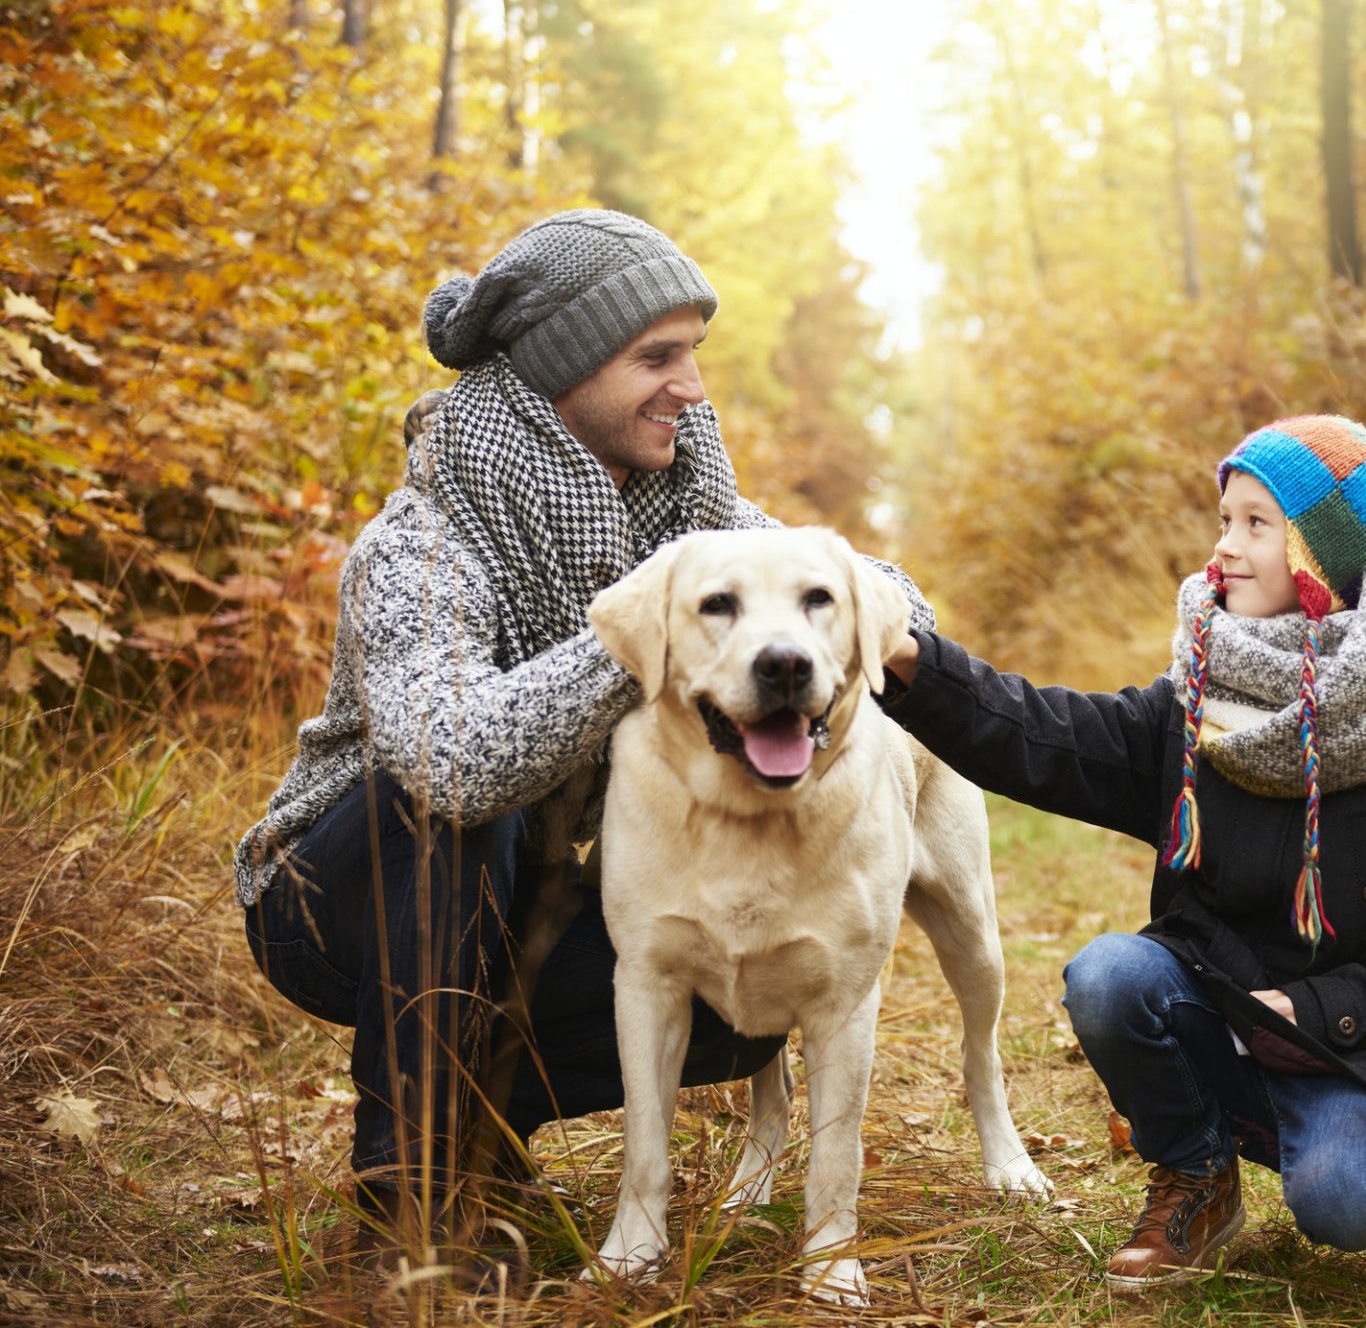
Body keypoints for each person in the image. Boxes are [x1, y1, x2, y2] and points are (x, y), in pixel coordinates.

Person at [232, 210, 932, 1259]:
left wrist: (830, 618)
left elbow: (887, 595)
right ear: (563, 369)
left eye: (693, 353)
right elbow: (455, 764)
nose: (691, 387)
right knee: (450, 815)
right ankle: (408, 1198)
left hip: (528, 905)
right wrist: (645, 633)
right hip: (336, 896)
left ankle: (481, 1132)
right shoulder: (421, 543)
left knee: (743, 985)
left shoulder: (685, 518)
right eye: (657, 356)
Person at [878, 415, 1366, 1294]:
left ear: (1323, 555)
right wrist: (910, 662)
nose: (1225, 548)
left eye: (1257, 524)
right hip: (1207, 999)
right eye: (1225, 520)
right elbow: (1046, 734)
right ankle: (1197, 1175)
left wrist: (1317, 1007)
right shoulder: (1199, 701)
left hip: (1346, 1041)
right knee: (1107, 976)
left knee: (1340, 1205)